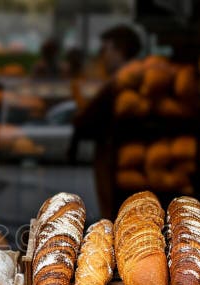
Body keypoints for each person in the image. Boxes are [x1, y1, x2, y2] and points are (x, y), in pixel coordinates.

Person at [69, 24, 142, 218]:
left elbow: (84, 120)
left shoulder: (119, 81)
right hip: (129, 166)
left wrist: (79, 103)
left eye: (104, 49)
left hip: (117, 165)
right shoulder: (135, 77)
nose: (102, 56)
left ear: (120, 50)